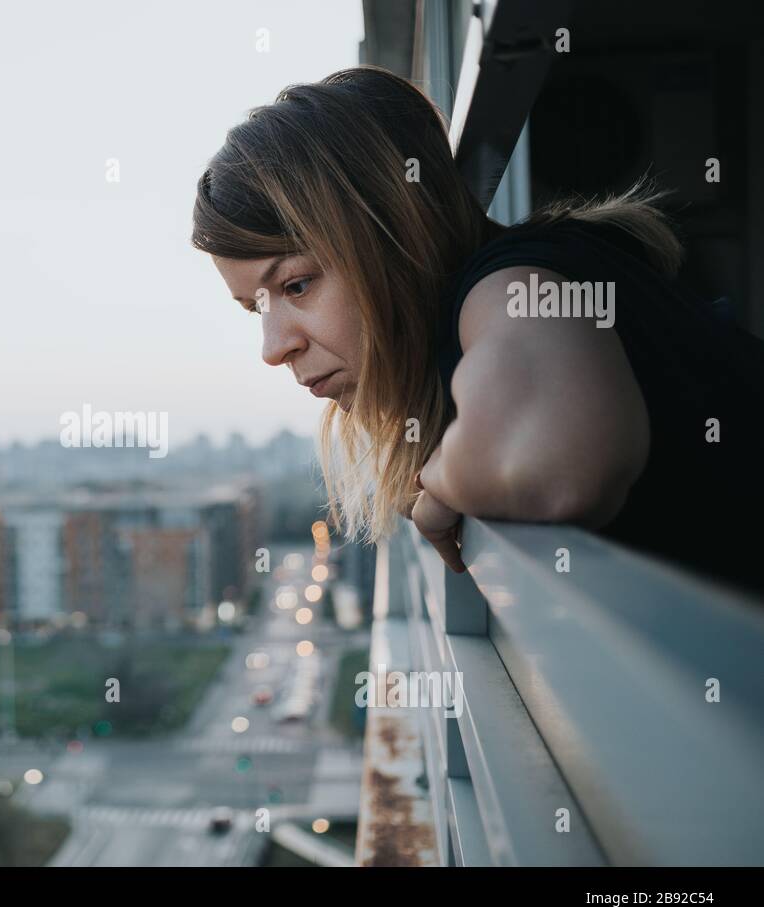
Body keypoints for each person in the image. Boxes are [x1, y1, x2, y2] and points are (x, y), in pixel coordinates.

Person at [192, 66, 764, 598]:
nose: (273, 348)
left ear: (395, 232)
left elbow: (557, 458)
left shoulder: (511, 285)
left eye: (295, 286)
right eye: (254, 308)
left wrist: (439, 481)